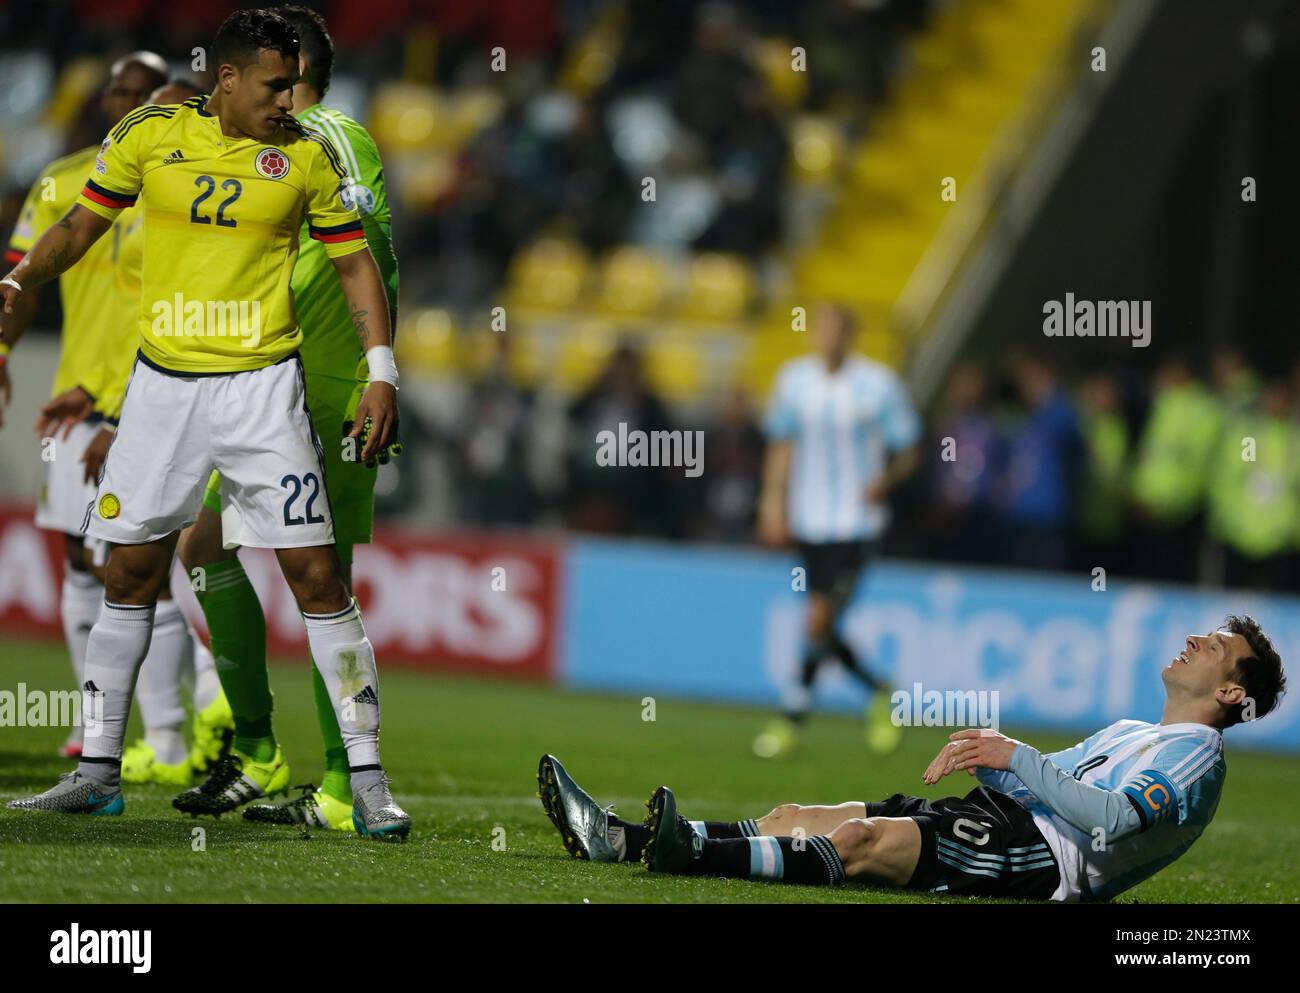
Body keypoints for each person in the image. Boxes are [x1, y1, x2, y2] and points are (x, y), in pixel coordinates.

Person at [3, 9, 408, 840]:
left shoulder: (306, 154)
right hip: (164, 390)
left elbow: (354, 263)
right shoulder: (149, 136)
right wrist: (17, 285)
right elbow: (80, 228)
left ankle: (366, 780)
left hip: (263, 392)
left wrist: (380, 369)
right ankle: (98, 773)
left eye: (295, 83)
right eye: (273, 85)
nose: (289, 99)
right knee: (129, 573)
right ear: (225, 79)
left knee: (319, 579)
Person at [539, 615, 1285, 902]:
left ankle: (684, 853)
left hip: (1041, 864)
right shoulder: (1134, 728)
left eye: (1215, 645)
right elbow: (1052, 774)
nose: (1195, 638)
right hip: (1007, 820)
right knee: (796, 815)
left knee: (859, 846)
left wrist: (1016, 756)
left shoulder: (1198, 756)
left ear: (1227, 688)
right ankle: (623, 840)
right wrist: (990, 762)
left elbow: (1115, 818)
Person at [176, 4, 403, 831]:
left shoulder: (331, 138)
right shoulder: (262, 156)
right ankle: (261, 746)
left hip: (323, 390)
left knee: (322, 581)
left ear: (295, 72)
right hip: (260, 386)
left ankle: (345, 784)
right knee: (203, 547)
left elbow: (370, 250)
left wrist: (380, 376)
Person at [0, 53, 233, 780]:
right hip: (81, 392)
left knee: (139, 561)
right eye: (125, 93)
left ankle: (188, 714)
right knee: (89, 557)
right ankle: (116, 721)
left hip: (149, 395)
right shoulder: (66, 182)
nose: (132, 105)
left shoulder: (176, 189)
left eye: (148, 97)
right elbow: (25, 277)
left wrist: (122, 409)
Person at [754, 303, 921, 758]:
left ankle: (791, 718)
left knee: (818, 619)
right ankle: (881, 691)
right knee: (822, 624)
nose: (826, 338)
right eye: (820, 330)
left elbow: (909, 449)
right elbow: (781, 445)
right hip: (810, 521)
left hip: (857, 523)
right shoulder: (794, 380)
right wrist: (772, 504)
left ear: (850, 335)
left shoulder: (878, 385)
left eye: (835, 331)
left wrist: (884, 480)